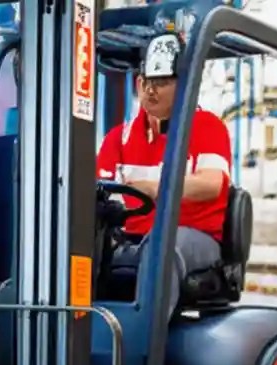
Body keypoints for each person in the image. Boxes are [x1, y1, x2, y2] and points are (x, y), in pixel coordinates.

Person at [96, 33, 233, 318]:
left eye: (161, 83)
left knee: (160, 246)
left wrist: (156, 188)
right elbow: (98, 189)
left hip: (195, 237)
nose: (151, 91)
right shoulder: (117, 139)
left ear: (184, 85)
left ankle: (142, 351)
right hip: (131, 236)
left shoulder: (207, 128)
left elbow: (212, 184)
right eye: (146, 82)